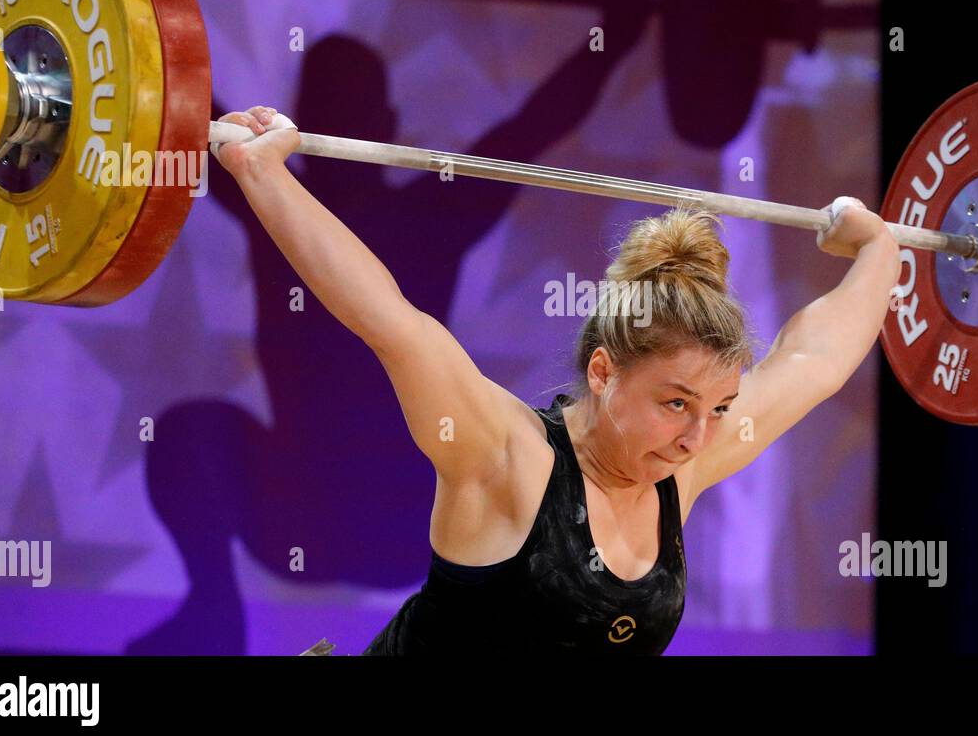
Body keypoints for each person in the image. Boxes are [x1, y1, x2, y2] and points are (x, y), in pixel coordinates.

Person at [213, 106, 901, 654]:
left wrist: (880, 248)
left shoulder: (682, 466)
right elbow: (389, 322)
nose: (698, 435)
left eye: (720, 407)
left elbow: (816, 361)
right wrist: (261, 172)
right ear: (603, 371)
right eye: (675, 402)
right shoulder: (504, 454)